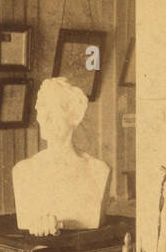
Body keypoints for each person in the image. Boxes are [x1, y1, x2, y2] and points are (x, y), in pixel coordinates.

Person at [12, 77, 110, 236]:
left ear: (75, 116)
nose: (43, 118)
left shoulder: (98, 170)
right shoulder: (23, 170)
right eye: (41, 109)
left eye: (52, 110)